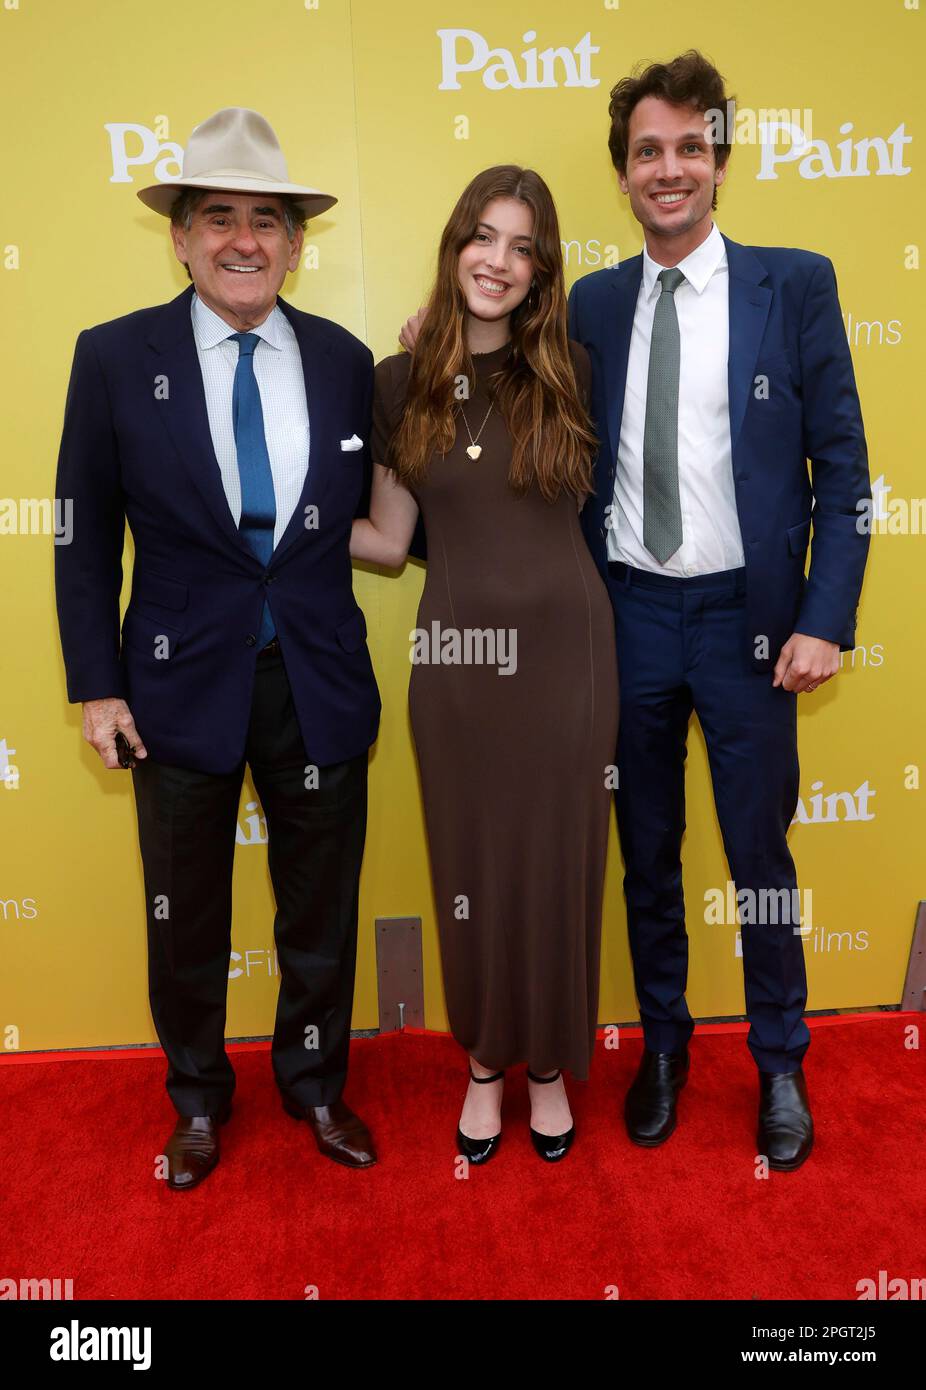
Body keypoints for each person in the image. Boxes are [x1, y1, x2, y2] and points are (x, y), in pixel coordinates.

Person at [54, 107, 381, 1189]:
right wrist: (97, 687)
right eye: (218, 217)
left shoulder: (342, 361)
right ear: (181, 236)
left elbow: (385, 506)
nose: (244, 240)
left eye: (265, 221)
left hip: (317, 680)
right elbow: (84, 532)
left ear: (295, 242)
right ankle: (196, 1100)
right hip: (175, 689)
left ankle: (317, 1086)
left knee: (319, 910)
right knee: (184, 916)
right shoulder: (112, 358)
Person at [566, 51, 871, 1169]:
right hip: (628, 617)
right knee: (646, 852)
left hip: (752, 629)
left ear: (720, 162)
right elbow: (523, 417)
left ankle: (780, 1065)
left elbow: (840, 471)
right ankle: (660, 1051)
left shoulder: (793, 284)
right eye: (647, 149)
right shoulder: (589, 304)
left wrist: (821, 618)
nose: (668, 167)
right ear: (623, 171)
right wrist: (431, 353)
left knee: (760, 862)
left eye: (689, 146)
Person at [353, 165, 618, 1164]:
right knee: (468, 866)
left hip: (567, 659)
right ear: (452, 242)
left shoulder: (574, 371)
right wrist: (255, 523)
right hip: (455, 666)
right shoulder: (397, 381)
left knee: (557, 867)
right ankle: (481, 1063)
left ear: (541, 270)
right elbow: (384, 538)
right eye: (481, 235)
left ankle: (546, 1065)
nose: (496, 261)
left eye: (520, 246)